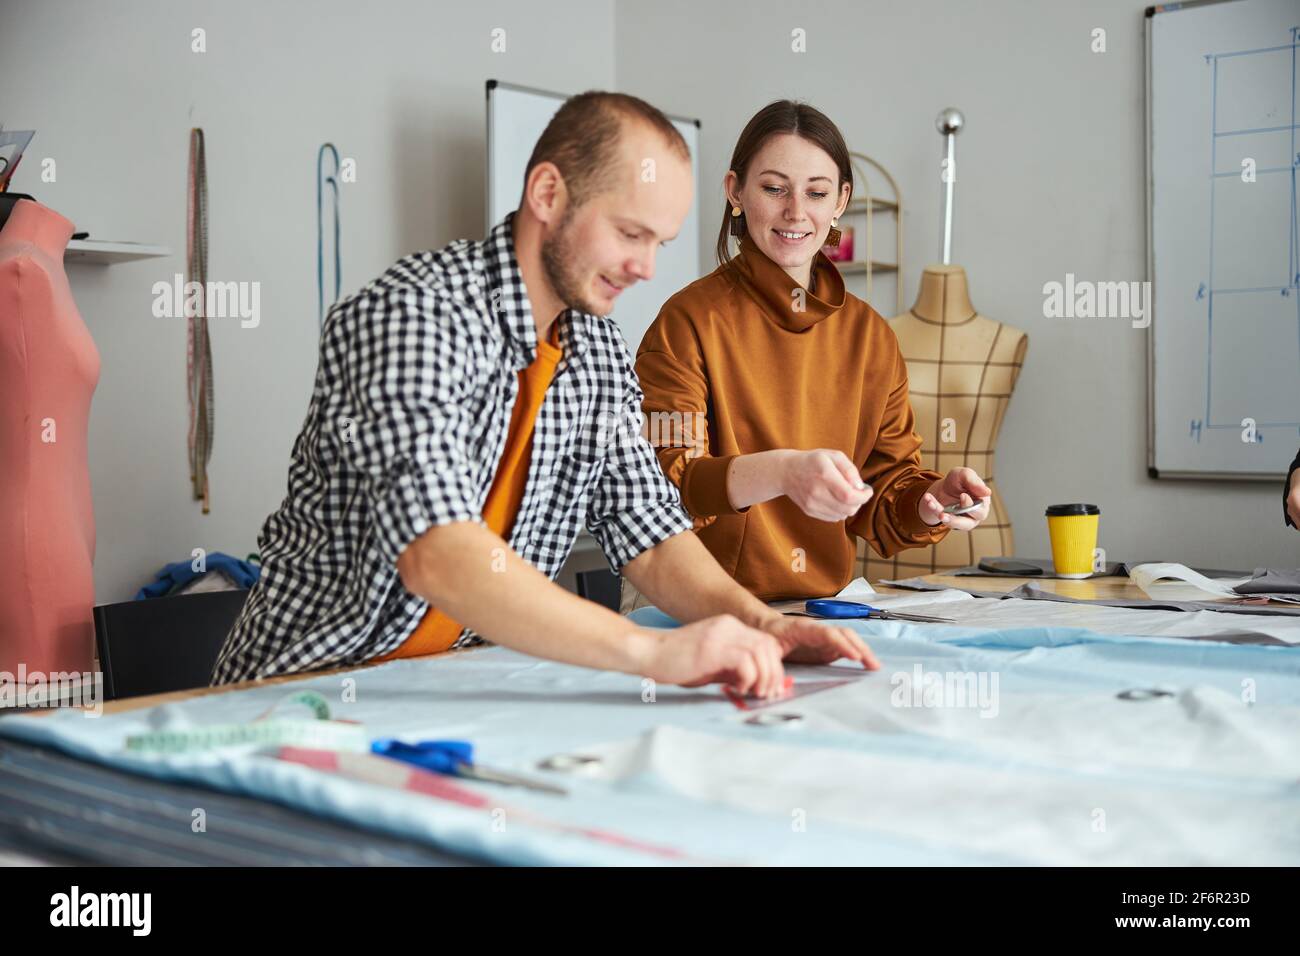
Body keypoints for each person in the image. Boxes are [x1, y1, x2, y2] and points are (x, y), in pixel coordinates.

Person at [211, 91, 878, 697]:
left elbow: (645, 527)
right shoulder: (413, 314)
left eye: (660, 242)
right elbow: (437, 554)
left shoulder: (596, 347)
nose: (646, 267)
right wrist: (653, 651)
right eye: (629, 233)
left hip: (449, 687)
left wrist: (764, 625)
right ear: (548, 193)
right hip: (302, 691)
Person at [631, 100, 991, 608]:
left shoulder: (869, 335)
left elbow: (884, 488)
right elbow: (668, 484)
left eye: (816, 192)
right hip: (693, 606)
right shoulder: (688, 320)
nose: (796, 212)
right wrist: (781, 471)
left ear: (841, 200)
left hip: (817, 609)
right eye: (774, 188)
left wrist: (931, 503)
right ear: (735, 191)